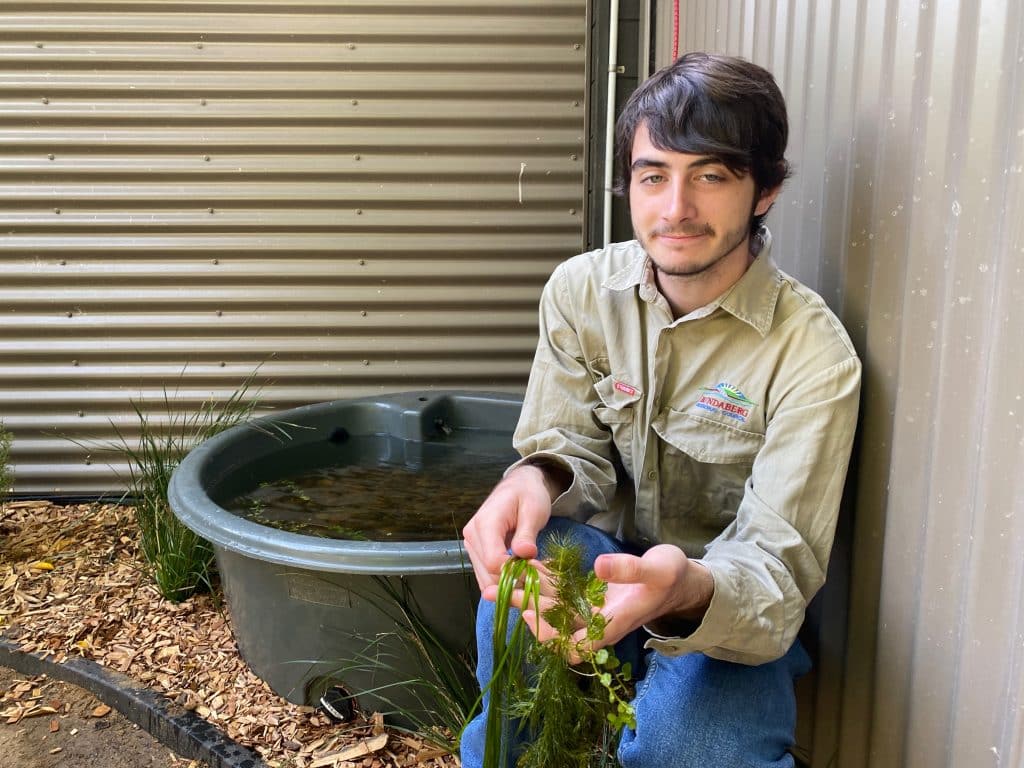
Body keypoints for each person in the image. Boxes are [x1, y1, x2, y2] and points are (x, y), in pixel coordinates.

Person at [460, 51, 862, 768]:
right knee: (524, 602)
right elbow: (566, 443)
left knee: (694, 748)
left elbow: (777, 567)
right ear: (629, 185)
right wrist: (527, 480)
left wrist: (682, 587)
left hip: (724, 604)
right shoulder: (581, 291)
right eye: (654, 176)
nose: (676, 208)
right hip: (602, 564)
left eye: (710, 175)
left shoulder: (813, 354)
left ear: (764, 189)